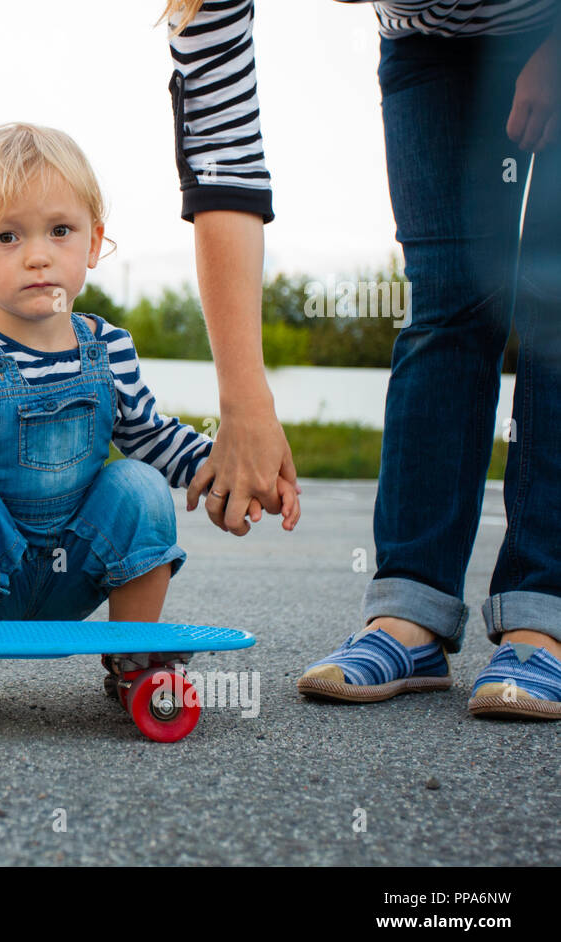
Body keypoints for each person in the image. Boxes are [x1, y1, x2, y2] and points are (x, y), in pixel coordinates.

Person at [162, 0, 561, 717]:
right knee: (447, 300)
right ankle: (410, 610)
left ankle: (547, 615)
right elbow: (224, 168)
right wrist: (244, 404)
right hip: (430, 47)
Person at [0, 121, 300, 713]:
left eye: (60, 230)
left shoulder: (109, 348)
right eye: (7, 236)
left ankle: (134, 656)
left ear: (94, 243)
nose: (38, 254)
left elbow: (154, 439)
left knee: (139, 484)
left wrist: (233, 476)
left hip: (78, 570)